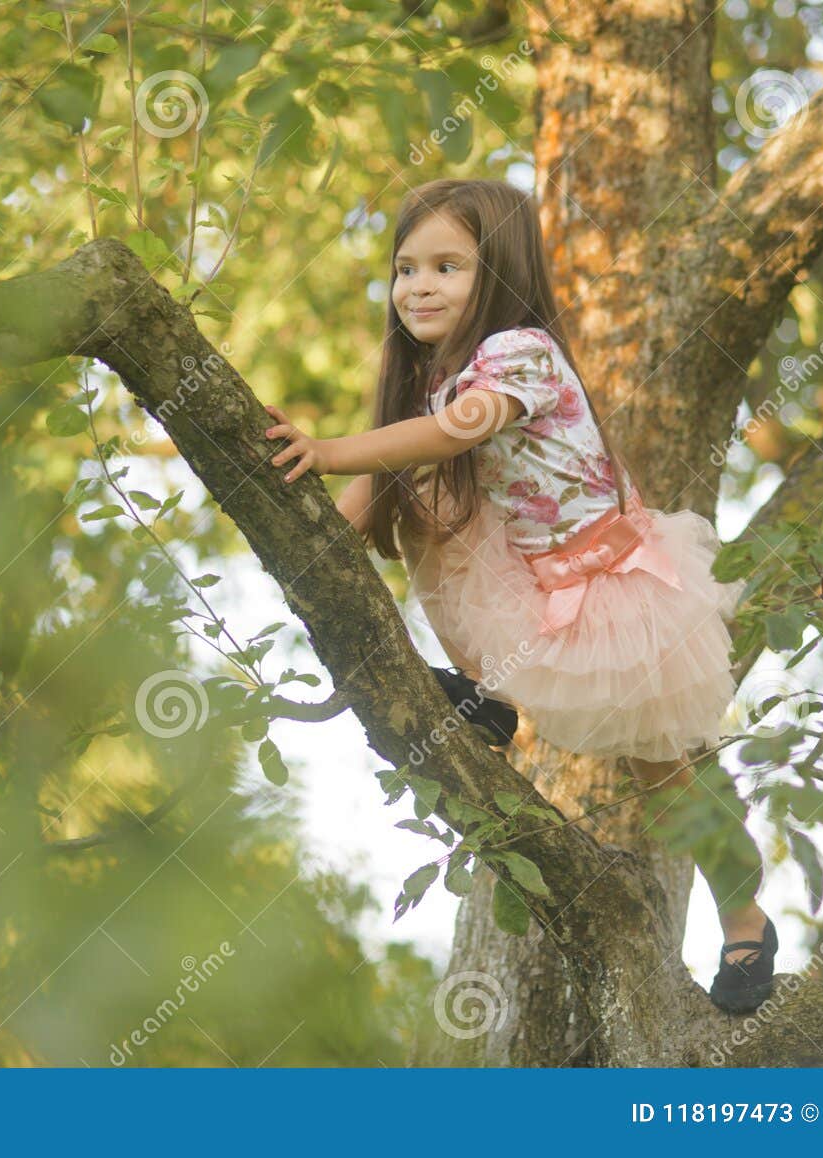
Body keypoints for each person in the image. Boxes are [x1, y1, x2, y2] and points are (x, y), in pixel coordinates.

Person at [261, 177, 777, 1013]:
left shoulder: (522, 353)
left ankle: (745, 912)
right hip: (529, 578)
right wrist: (308, 532)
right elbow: (390, 479)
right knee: (426, 511)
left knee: (665, 780)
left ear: (497, 275)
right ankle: (485, 693)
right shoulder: (434, 377)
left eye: (447, 267)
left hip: (608, 595)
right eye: (405, 269)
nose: (418, 287)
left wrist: (327, 450)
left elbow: (454, 431)